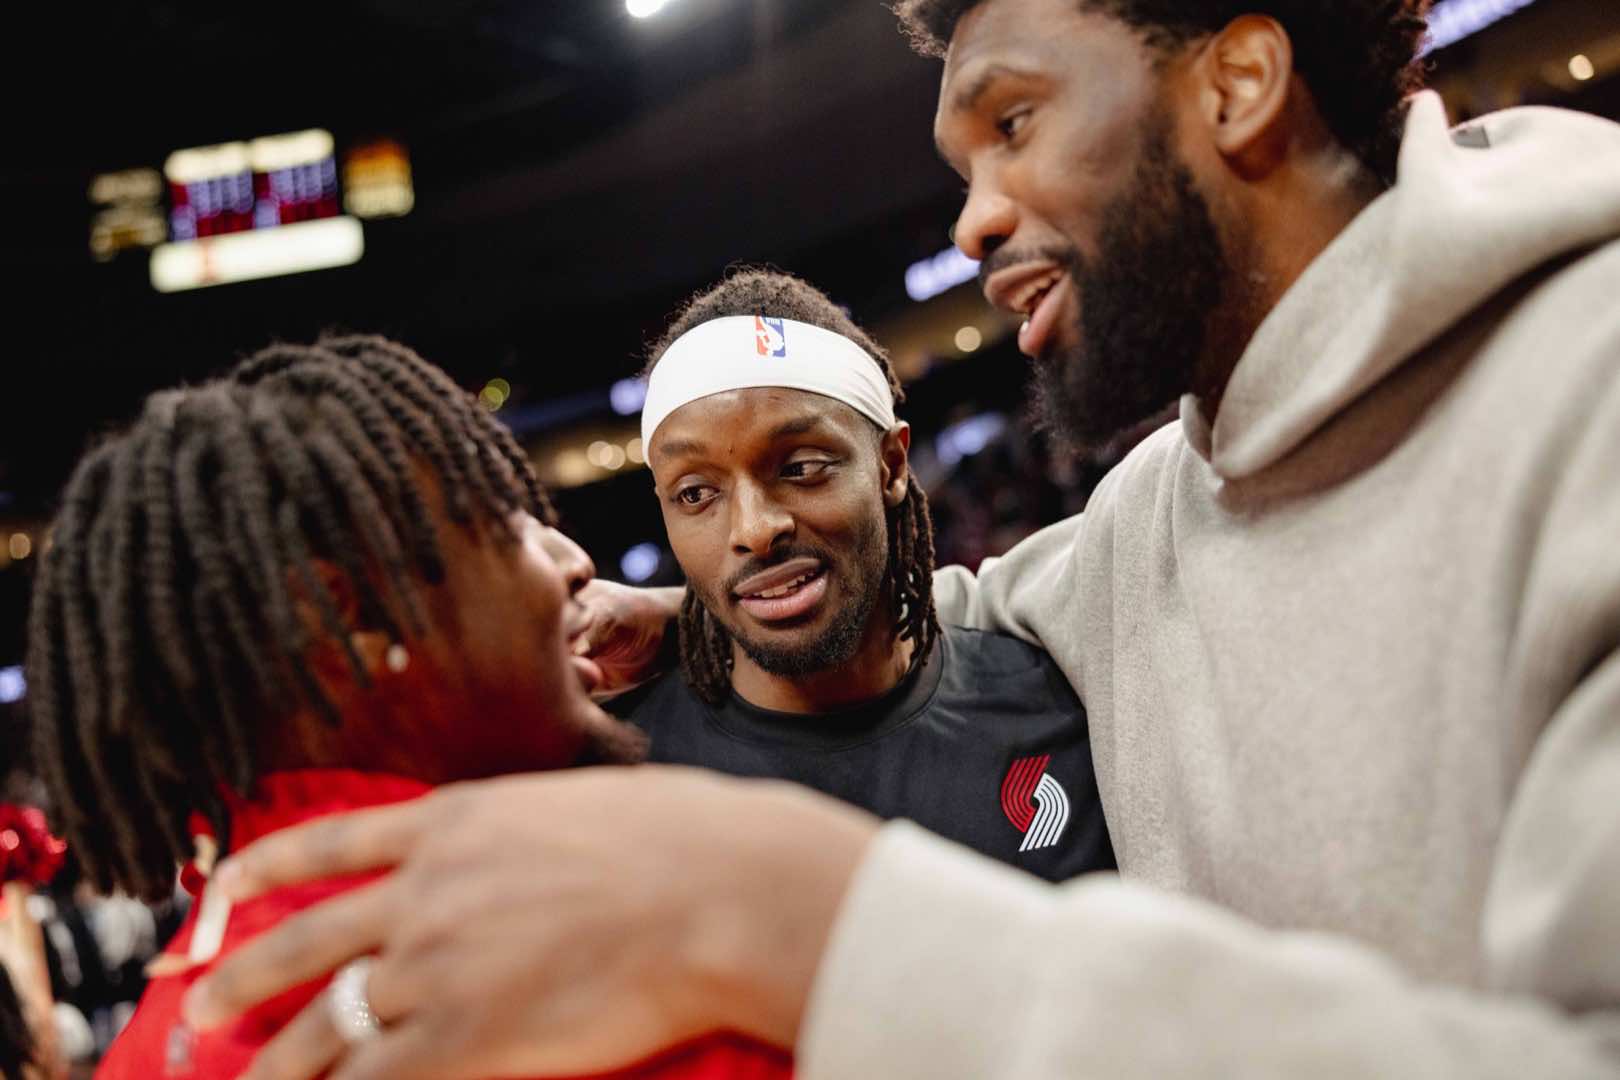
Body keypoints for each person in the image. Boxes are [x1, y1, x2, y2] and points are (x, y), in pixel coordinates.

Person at [177, 1, 1620, 1077]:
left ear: (1238, 81)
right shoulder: (1142, 529)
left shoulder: (1590, 388)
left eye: (1012, 123)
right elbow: (940, 602)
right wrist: (673, 621)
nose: (976, 214)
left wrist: (808, 920)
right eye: (694, 496)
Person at [26, 337, 789, 1079]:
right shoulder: (573, 961)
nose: (571, 560)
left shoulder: (164, 1024)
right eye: (503, 519)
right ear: (342, 617)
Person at [613, 269, 1111, 882]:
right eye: (695, 493)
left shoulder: (1058, 699)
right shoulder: (623, 780)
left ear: (891, 464)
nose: (755, 527)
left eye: (802, 467)